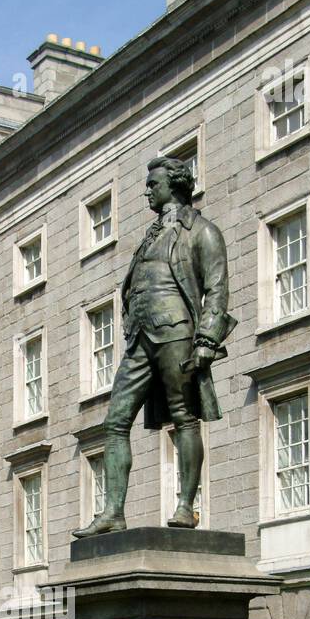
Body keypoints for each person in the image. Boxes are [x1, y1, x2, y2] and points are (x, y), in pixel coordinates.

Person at [73, 156, 236, 536]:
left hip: (176, 331)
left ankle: (185, 506)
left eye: (154, 183)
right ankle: (113, 511)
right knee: (115, 421)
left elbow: (217, 289)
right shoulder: (149, 236)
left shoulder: (202, 231)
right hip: (140, 337)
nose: (147, 189)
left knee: (183, 416)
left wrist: (207, 341)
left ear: (174, 186)